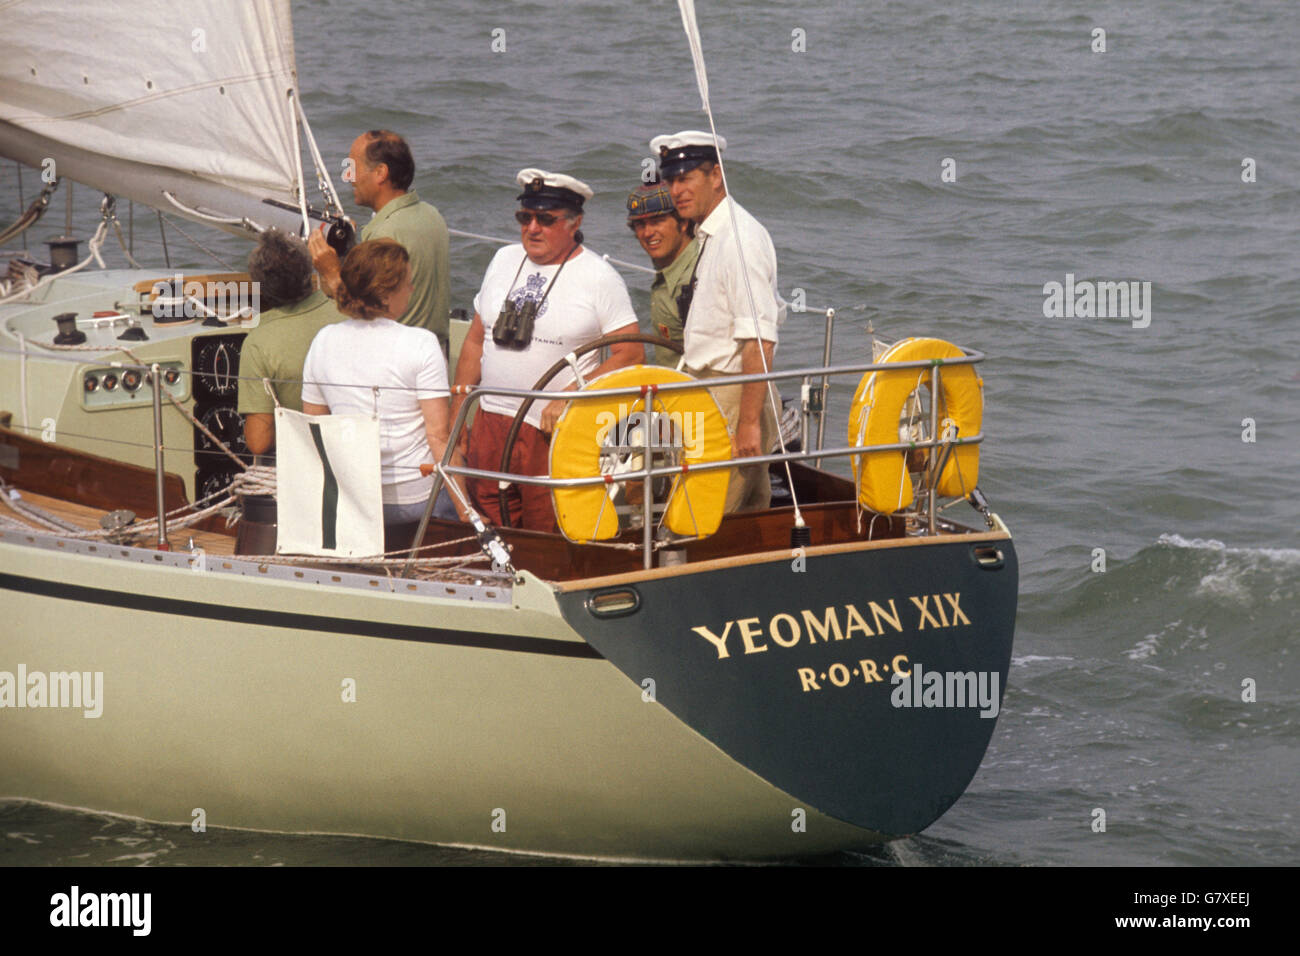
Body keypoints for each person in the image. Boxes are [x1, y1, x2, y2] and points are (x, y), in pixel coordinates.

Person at [451, 168, 641, 531]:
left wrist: (572, 395)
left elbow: (630, 354)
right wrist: (460, 404)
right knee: (487, 521)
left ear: (575, 222)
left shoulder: (599, 278)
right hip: (490, 421)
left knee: (547, 526)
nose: (532, 228)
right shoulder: (503, 260)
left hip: (550, 431)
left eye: (545, 219)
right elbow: (476, 339)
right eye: (525, 217)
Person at [651, 130, 785, 512]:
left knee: (706, 512)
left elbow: (759, 340)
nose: (677, 190)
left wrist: (748, 423)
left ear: (716, 176)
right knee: (747, 508)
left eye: (687, 178)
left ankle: (696, 569)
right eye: (671, 180)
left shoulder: (739, 240)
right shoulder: (712, 233)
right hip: (713, 390)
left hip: (732, 392)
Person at [301, 239, 463, 536]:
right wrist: (468, 513)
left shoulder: (322, 340)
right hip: (417, 501)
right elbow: (440, 438)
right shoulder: (422, 343)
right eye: (407, 284)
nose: (412, 290)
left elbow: (315, 426)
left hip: (354, 499)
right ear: (387, 295)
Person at [308, 130, 452, 353]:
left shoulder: (384, 236)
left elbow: (363, 314)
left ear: (380, 173)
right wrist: (351, 253)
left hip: (395, 363)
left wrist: (330, 272)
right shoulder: (432, 216)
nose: (349, 178)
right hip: (433, 352)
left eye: (352, 168)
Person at [237, 229, 346, 455]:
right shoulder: (347, 312)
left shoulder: (258, 343)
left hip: (305, 459)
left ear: (262, 286)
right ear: (309, 270)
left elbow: (259, 442)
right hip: (355, 447)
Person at [625, 182, 698, 367]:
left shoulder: (698, 278)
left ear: (683, 222)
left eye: (657, 221)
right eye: (640, 224)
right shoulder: (669, 274)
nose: (648, 232)